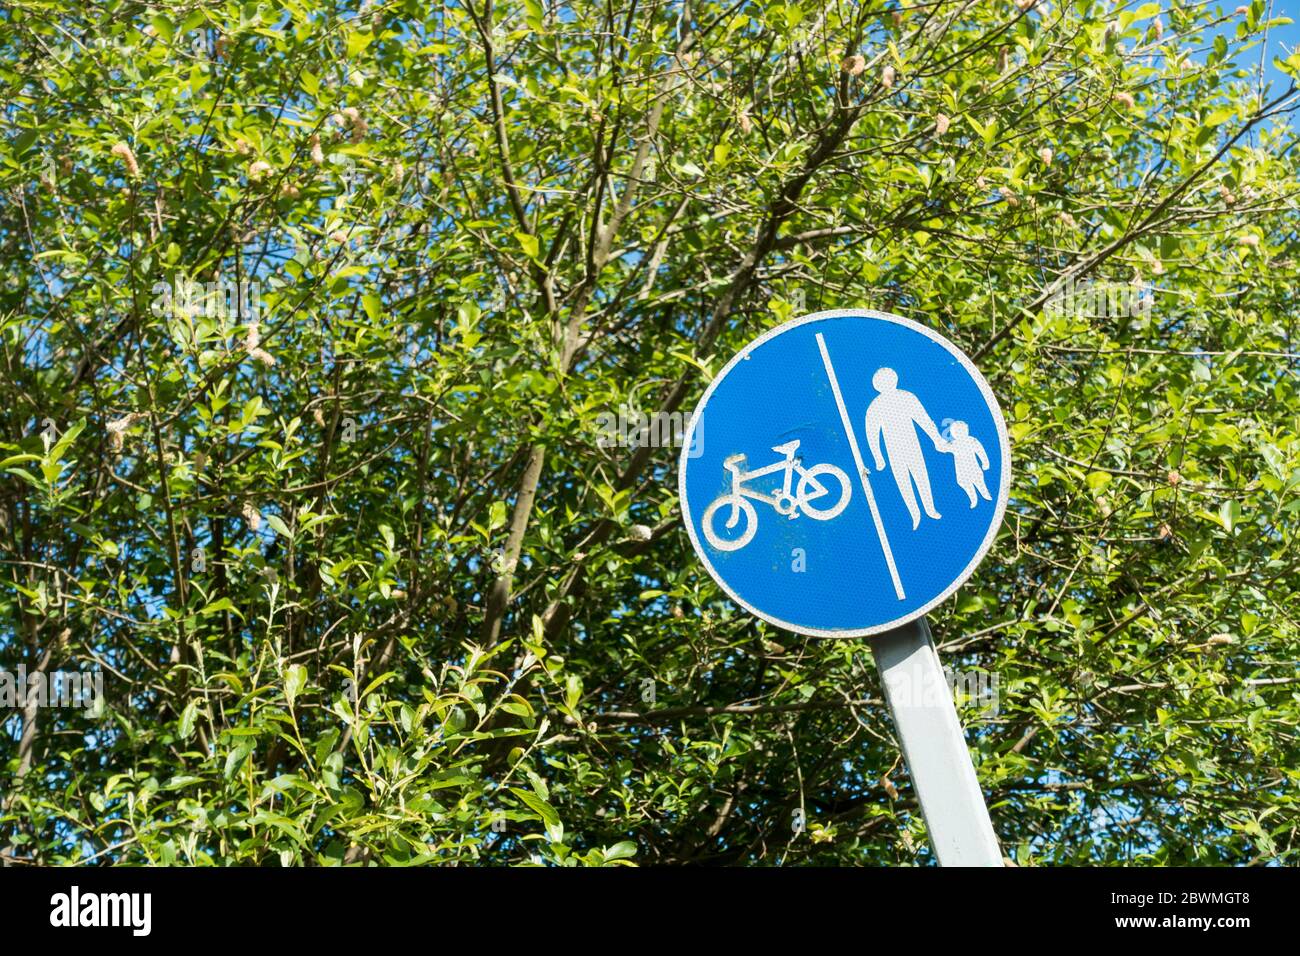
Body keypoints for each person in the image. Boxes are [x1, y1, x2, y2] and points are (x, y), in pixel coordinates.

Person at [864, 367, 947, 529]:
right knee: (903, 482)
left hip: (912, 446)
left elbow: (924, 420)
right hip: (894, 451)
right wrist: (878, 458)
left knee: (921, 476)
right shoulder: (875, 406)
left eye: (888, 379)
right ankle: (915, 514)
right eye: (882, 381)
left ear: (894, 380)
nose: (886, 383)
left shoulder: (907, 397)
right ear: (877, 385)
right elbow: (872, 434)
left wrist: (937, 440)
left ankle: (930, 509)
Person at [941, 420, 992, 507]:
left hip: (974, 468)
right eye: (956, 431)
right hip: (962, 471)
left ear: (966, 430)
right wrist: (939, 442)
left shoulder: (971, 441)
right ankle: (973, 498)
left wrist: (985, 462)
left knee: (979, 481)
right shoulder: (954, 443)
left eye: (961, 430)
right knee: (964, 483)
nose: (959, 433)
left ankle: (985, 494)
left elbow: (980, 451)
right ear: (953, 433)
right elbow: (943, 448)